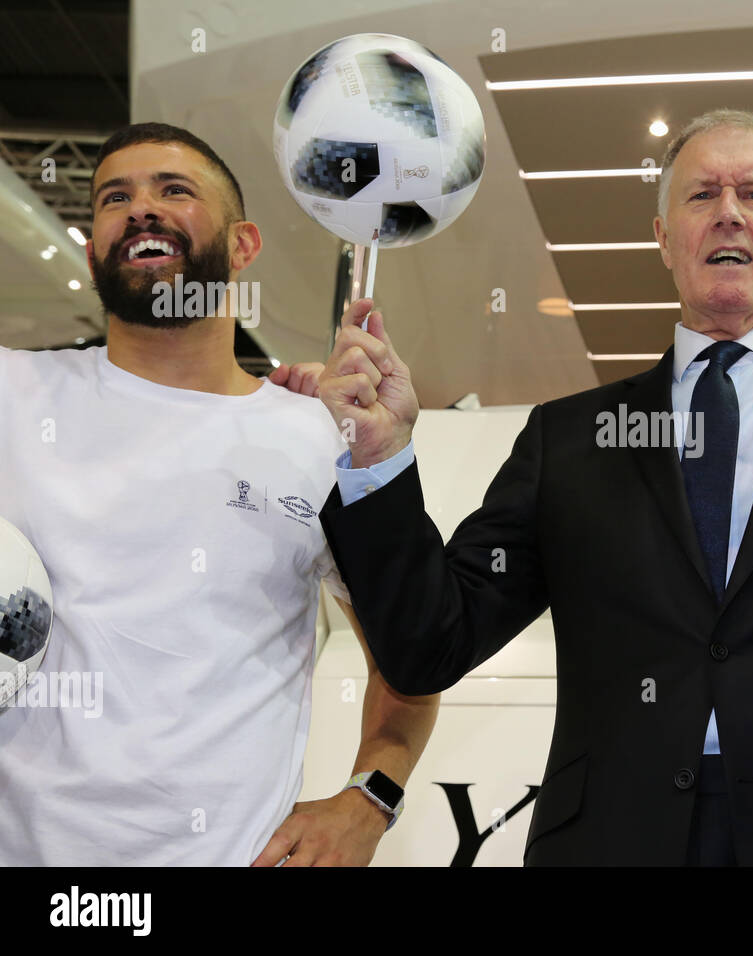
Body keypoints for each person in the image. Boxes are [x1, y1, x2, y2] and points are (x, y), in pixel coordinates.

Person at [317, 109, 753, 865]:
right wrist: (382, 461)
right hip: (614, 840)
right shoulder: (566, 438)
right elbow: (429, 646)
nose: (728, 211)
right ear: (663, 238)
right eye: (701, 195)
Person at [0, 123, 438, 866]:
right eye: (115, 196)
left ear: (243, 246)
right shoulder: (13, 393)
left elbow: (412, 666)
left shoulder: (315, 439)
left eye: (173, 190)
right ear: (91, 247)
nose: (141, 208)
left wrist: (370, 799)